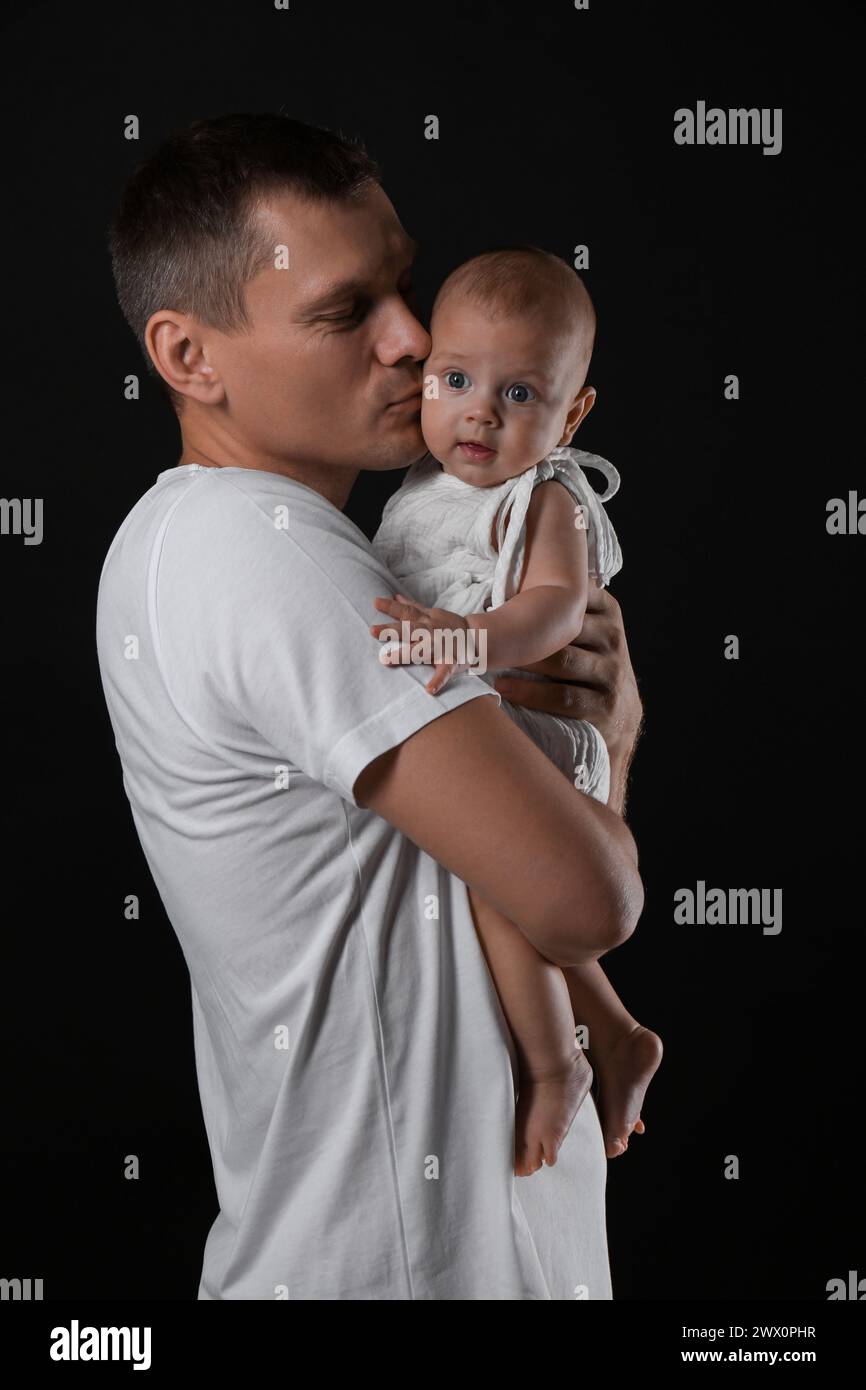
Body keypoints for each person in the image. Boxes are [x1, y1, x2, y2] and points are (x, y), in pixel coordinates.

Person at [96, 111, 644, 1301]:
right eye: (346, 312)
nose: (411, 336)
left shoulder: (276, 546)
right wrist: (612, 738)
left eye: (402, 282)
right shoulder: (267, 551)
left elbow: (513, 880)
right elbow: (585, 895)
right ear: (189, 358)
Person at [369, 246, 662, 1175]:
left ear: (571, 415)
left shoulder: (546, 500)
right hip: (481, 709)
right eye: (455, 379)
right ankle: (615, 1029)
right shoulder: (425, 485)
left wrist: (466, 639)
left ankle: (550, 1063)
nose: (481, 413)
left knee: (493, 879)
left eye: (521, 395)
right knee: (501, 871)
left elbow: (553, 612)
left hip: (538, 721)